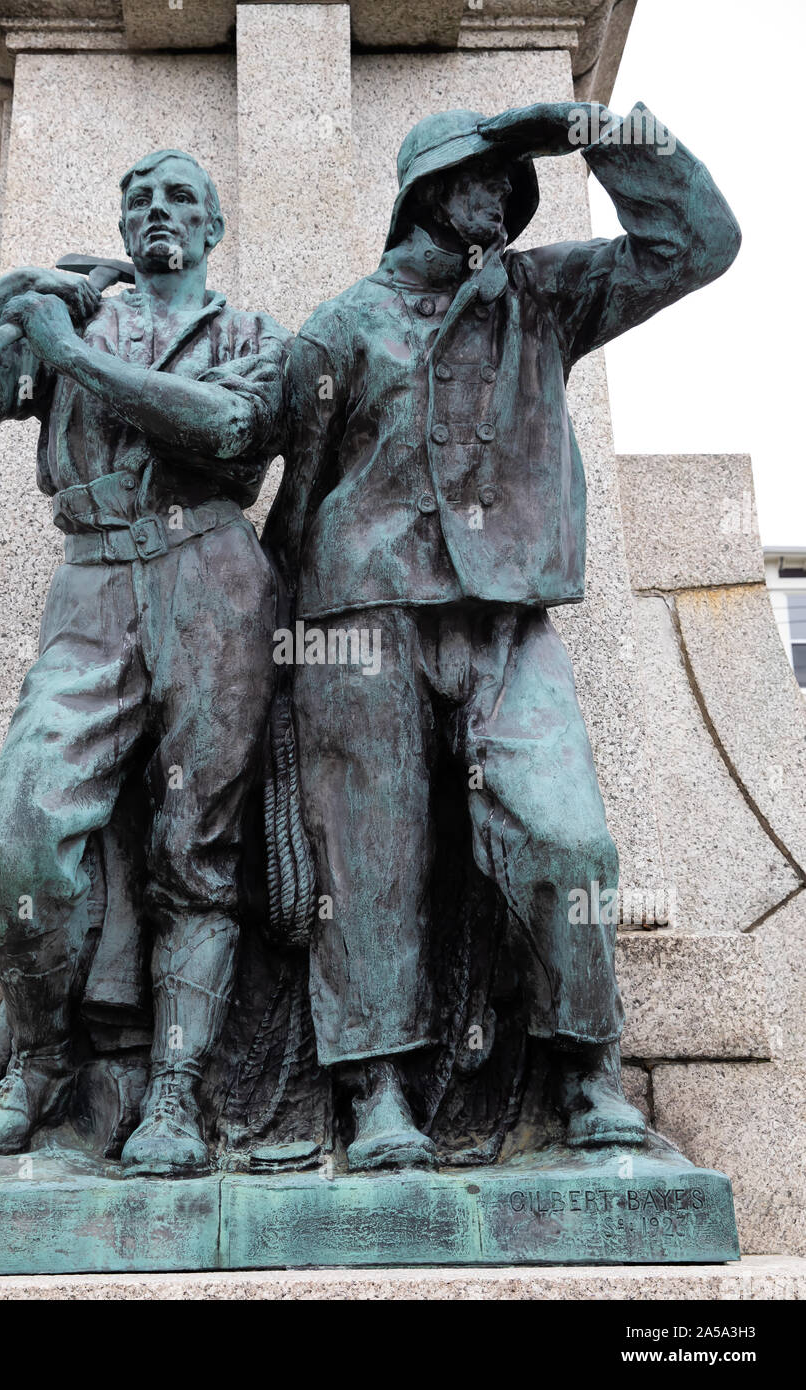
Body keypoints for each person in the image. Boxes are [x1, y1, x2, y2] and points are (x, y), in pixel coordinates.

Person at [265, 102, 741, 1169]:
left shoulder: (544, 294)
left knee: (567, 839)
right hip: (358, 617)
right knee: (368, 859)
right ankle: (377, 1091)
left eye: (507, 177)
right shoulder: (337, 327)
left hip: (506, 618)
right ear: (425, 193)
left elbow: (697, 244)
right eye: (479, 174)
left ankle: (585, 1070)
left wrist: (598, 132)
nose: (501, 190)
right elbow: (296, 498)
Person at [0, 148, 290, 1175]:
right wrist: (19, 288)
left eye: (179, 199)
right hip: (91, 582)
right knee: (13, 847)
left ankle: (175, 1097)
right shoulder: (68, 315)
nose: (157, 211)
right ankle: (37, 1066)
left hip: (213, 577)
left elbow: (226, 431)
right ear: (120, 228)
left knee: (194, 852)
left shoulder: (252, 336)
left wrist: (67, 352)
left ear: (211, 229)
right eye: (138, 200)